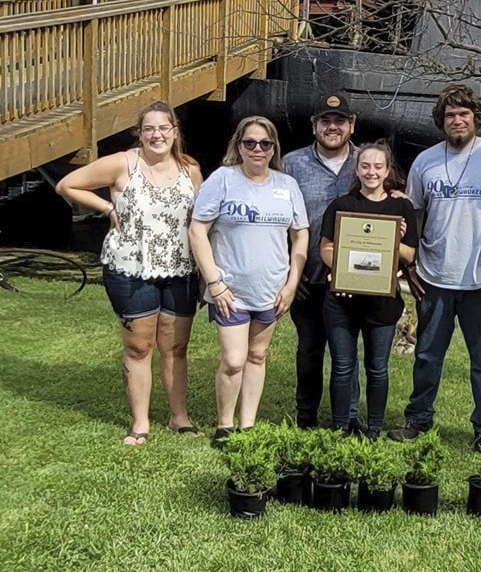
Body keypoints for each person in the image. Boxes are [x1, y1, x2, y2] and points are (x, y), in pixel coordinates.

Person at [55, 101, 201, 445]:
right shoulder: (122, 164)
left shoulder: (190, 169)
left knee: (176, 345)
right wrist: (107, 207)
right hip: (132, 268)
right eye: (149, 128)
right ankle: (140, 423)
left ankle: (179, 417)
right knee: (139, 346)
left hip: (180, 268)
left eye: (164, 128)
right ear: (140, 133)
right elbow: (67, 185)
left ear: (175, 132)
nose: (157, 135)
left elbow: (203, 216)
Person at [393, 85, 481, 450]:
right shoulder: (426, 161)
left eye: (464, 114)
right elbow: (414, 214)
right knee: (427, 354)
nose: (457, 120)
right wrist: (409, 263)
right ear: (442, 121)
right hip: (435, 275)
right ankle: (418, 419)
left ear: (475, 118)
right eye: (450, 115)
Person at [188, 116, 309, 440]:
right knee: (233, 359)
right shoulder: (223, 180)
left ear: (273, 149)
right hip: (230, 290)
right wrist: (214, 281)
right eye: (250, 143)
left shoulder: (287, 186)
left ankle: (248, 424)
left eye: (264, 144)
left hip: (271, 290)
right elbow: (197, 230)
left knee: (257, 356)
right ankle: (225, 425)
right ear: (238, 146)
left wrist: (291, 282)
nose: (257, 149)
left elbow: (300, 235)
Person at [319, 142, 421, 437]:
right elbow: (326, 248)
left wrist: (393, 238)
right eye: (365, 166)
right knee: (342, 366)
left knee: (377, 368)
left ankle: (374, 426)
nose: (371, 172)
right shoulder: (341, 206)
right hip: (343, 300)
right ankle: (343, 425)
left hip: (382, 303)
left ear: (388, 171)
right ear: (357, 169)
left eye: (378, 166)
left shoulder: (401, 208)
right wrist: (339, 272)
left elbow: (410, 255)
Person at [283, 90, 357, 427]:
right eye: (325, 121)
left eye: (339, 120)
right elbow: (278, 219)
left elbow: (391, 199)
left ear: (351, 125)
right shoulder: (291, 163)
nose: (333, 127)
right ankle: (306, 416)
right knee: (310, 350)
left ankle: (347, 418)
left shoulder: (366, 162)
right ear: (314, 126)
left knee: (347, 354)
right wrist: (289, 273)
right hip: (308, 275)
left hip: (355, 278)